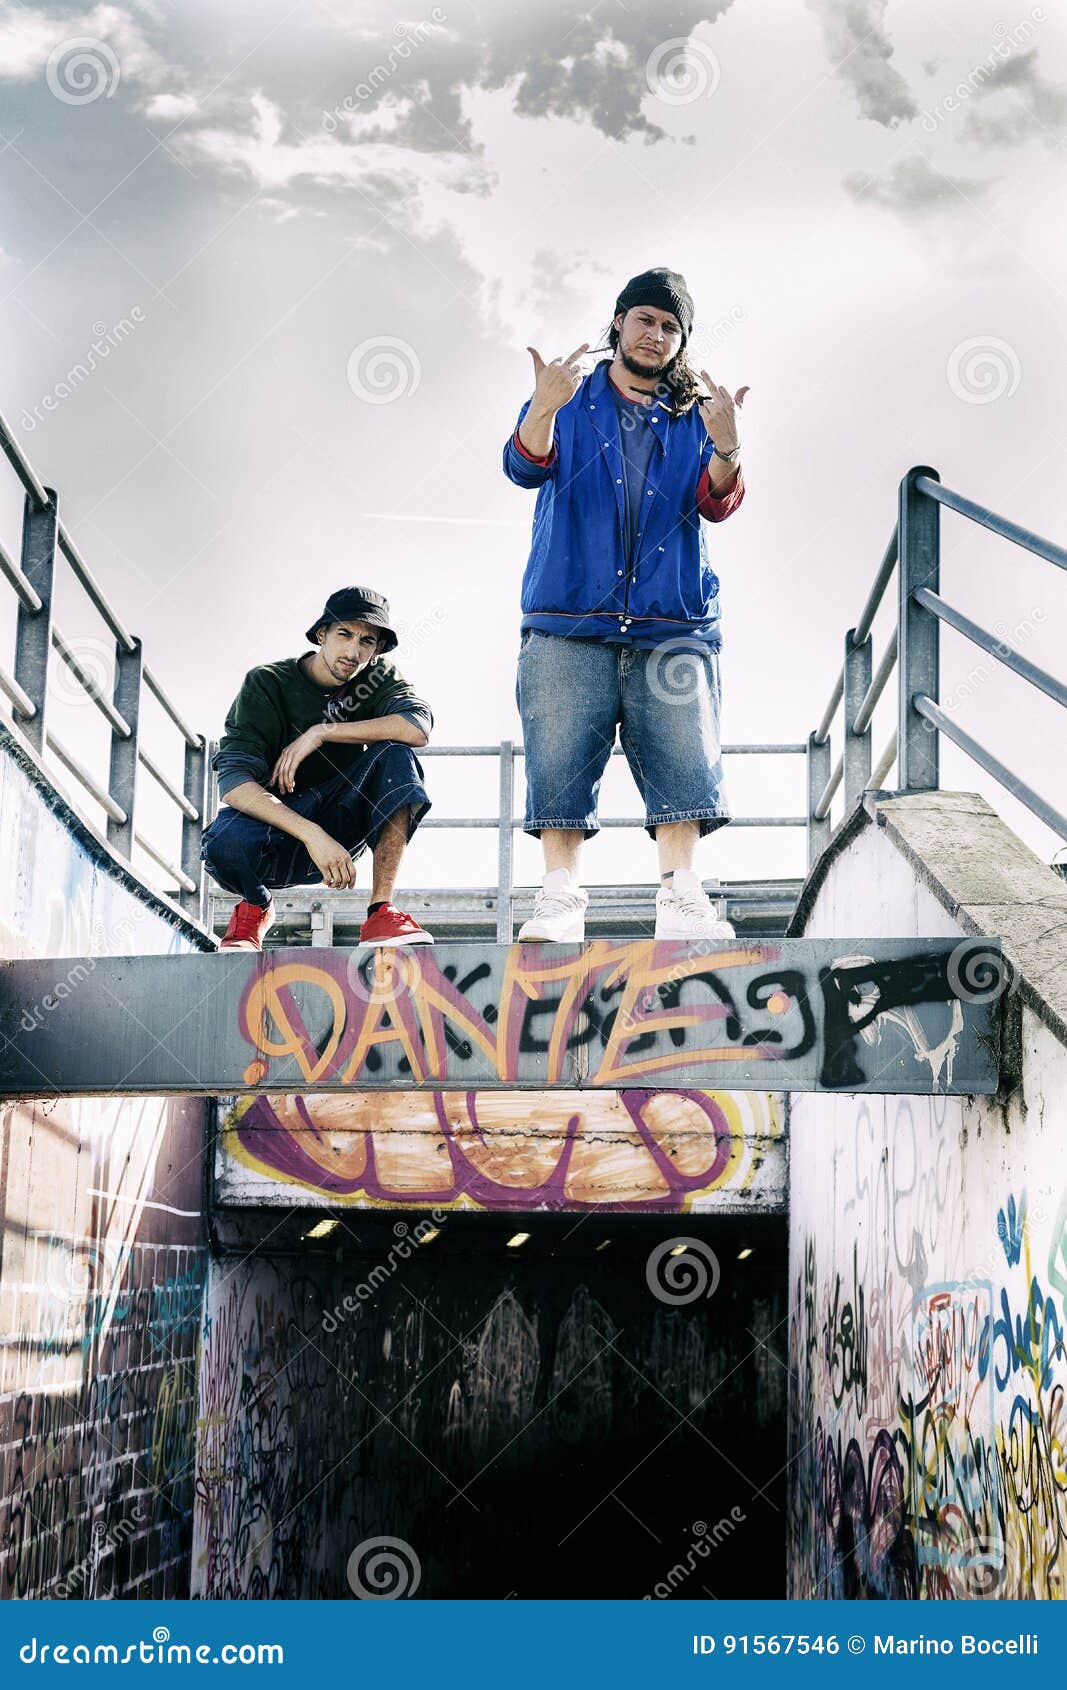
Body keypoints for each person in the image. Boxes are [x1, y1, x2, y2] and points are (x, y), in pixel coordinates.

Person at [502, 266, 749, 944]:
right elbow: (524, 464)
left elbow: (714, 501)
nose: (655, 333)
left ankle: (680, 898)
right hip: (568, 616)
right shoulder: (570, 398)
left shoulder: (693, 414)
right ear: (617, 323)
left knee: (683, 759)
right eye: (644, 319)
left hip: (671, 623)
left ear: (680, 341)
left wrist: (726, 446)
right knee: (558, 756)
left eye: (670, 327)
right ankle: (558, 901)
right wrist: (542, 406)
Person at [200, 586, 434, 950]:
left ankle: (381, 913)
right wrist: (312, 834)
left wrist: (322, 732)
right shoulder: (267, 683)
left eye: (367, 641)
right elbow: (232, 782)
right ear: (321, 633)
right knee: (220, 843)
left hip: (342, 824)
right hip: (276, 835)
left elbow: (416, 727)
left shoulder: (377, 677)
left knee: (396, 755)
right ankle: (255, 906)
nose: (353, 652)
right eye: (344, 634)